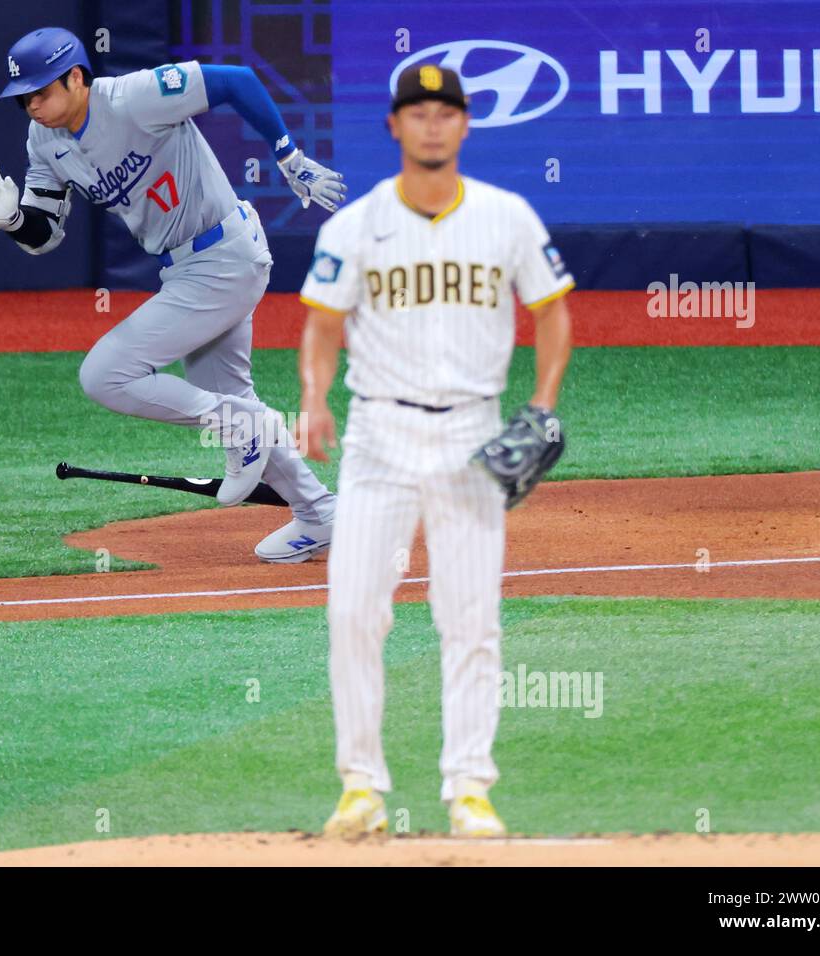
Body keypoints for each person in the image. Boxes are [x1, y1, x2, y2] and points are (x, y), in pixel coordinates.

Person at [296, 63, 574, 837]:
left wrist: (543, 402)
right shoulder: (353, 226)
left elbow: (553, 310)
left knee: (470, 616)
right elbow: (320, 325)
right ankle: (360, 788)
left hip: (471, 434)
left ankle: (470, 790)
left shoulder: (506, 216)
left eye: (444, 111)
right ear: (394, 126)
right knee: (354, 610)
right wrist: (315, 397)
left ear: (464, 124)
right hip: (379, 434)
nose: (430, 124)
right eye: (416, 112)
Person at [0, 26, 345, 562]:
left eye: (41, 91)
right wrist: (12, 220)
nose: (31, 105)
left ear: (76, 77)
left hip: (224, 257)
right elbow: (45, 232)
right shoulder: (44, 142)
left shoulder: (133, 97)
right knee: (231, 399)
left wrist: (288, 156)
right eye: (23, 98)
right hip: (188, 270)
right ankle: (318, 514)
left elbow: (236, 81)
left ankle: (244, 427)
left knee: (104, 375)